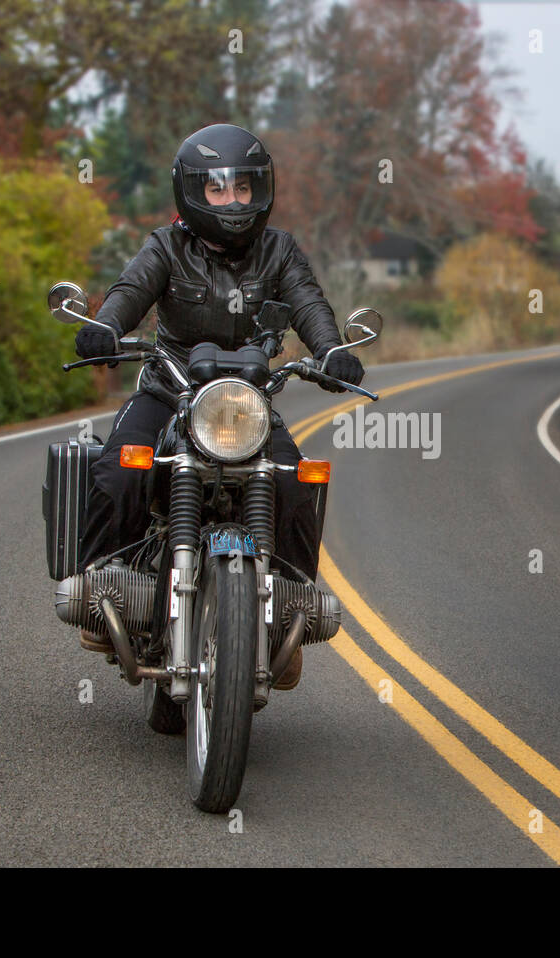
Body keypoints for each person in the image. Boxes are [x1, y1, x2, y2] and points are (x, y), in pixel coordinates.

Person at [73, 123, 364, 689]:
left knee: (297, 482)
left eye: (244, 188)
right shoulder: (166, 246)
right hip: (170, 390)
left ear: (261, 191)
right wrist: (105, 325)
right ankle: (103, 590)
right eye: (217, 190)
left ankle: (286, 619)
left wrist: (330, 350)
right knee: (117, 466)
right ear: (192, 193)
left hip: (248, 406)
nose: (233, 201)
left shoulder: (279, 250)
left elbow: (309, 303)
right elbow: (130, 291)